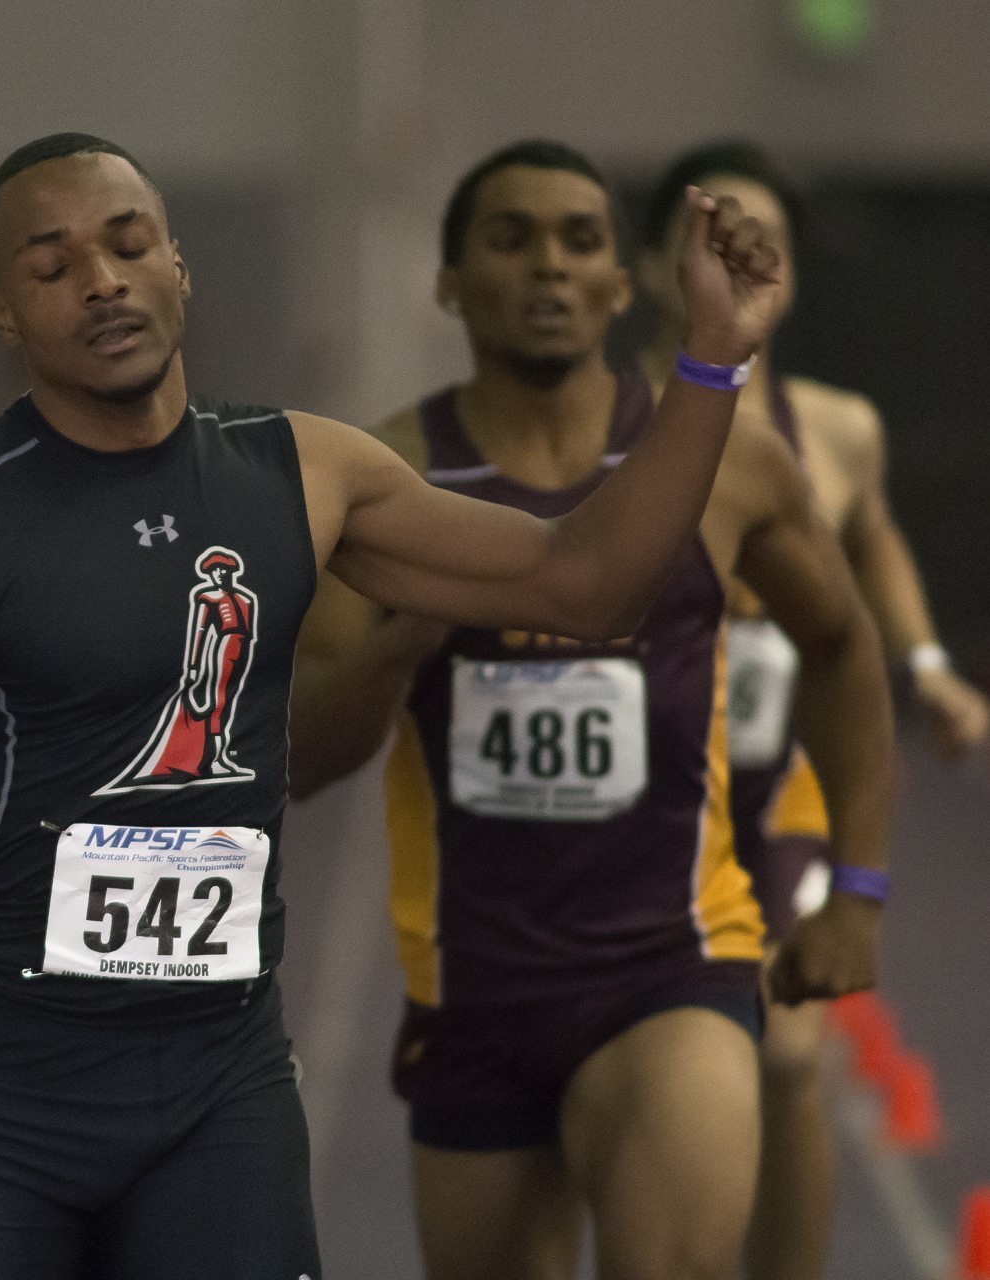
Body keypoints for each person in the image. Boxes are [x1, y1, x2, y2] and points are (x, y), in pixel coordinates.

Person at [0, 131, 785, 1280]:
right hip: (10, 1113)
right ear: (4, 312)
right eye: (52, 266)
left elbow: (588, 583)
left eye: (128, 244)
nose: (101, 280)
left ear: (179, 267)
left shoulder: (306, 475)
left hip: (223, 1104)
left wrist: (712, 359)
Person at [287, 140, 892, 1280]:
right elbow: (302, 753)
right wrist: (410, 632)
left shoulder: (728, 462)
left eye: (579, 241)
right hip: (474, 988)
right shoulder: (386, 480)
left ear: (622, 284)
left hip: (674, 961)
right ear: (449, 281)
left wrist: (857, 887)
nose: (549, 267)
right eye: (510, 239)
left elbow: (843, 646)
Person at [635, 139, 989, 1280]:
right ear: (652, 265)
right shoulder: (605, 421)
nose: (746, 258)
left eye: (769, 241)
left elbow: (872, 541)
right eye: (715, 236)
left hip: (770, 789)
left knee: (791, 1057)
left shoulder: (835, 428)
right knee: (633, 1075)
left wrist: (926, 662)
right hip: (628, 801)